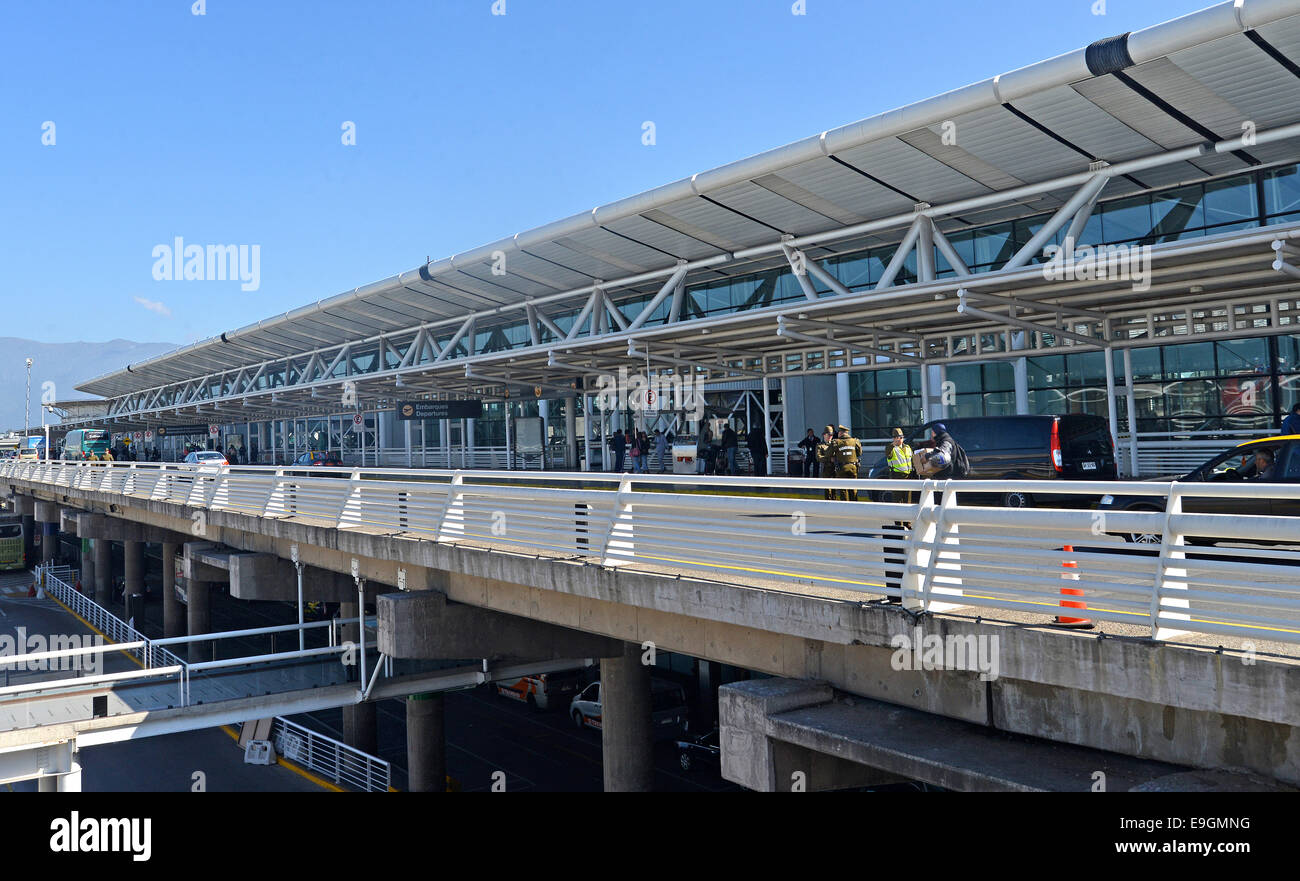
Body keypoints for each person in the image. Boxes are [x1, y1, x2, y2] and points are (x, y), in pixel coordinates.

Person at [831, 425, 862, 501]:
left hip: (842, 468)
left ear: (841, 433)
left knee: (843, 489)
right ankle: (854, 506)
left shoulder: (836, 442)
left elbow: (829, 453)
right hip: (853, 467)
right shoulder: (855, 441)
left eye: (839, 432)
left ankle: (845, 508)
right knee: (853, 488)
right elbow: (859, 453)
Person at [817, 426, 836, 499]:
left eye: (831, 435)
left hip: (835, 468)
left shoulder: (834, 444)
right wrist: (829, 459)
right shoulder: (820, 445)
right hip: (826, 469)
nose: (830, 437)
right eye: (829, 435)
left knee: (834, 488)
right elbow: (818, 457)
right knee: (828, 489)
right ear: (824, 435)